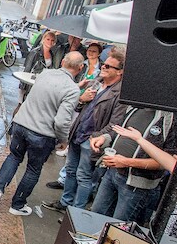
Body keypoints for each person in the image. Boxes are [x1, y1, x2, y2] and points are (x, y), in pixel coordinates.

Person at [0, 53, 84, 215]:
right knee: (33, 169)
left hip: (22, 123)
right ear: (80, 68)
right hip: (42, 133)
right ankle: (17, 205)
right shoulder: (72, 89)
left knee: (14, 157)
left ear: (62, 61)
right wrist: (63, 139)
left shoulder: (45, 74)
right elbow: (61, 120)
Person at [47, 49, 127, 212]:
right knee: (70, 170)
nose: (103, 68)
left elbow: (115, 124)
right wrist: (82, 99)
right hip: (78, 133)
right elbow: (77, 106)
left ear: (120, 72)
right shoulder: (96, 82)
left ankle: (76, 212)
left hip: (91, 140)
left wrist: (95, 137)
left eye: (108, 66)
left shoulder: (119, 95)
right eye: (104, 64)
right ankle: (65, 202)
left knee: (84, 176)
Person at [88, 107, 177, 224]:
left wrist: (127, 162)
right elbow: (119, 131)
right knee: (96, 216)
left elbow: (169, 162)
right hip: (112, 173)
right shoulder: (136, 106)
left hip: (136, 186)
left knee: (117, 228)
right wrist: (104, 138)